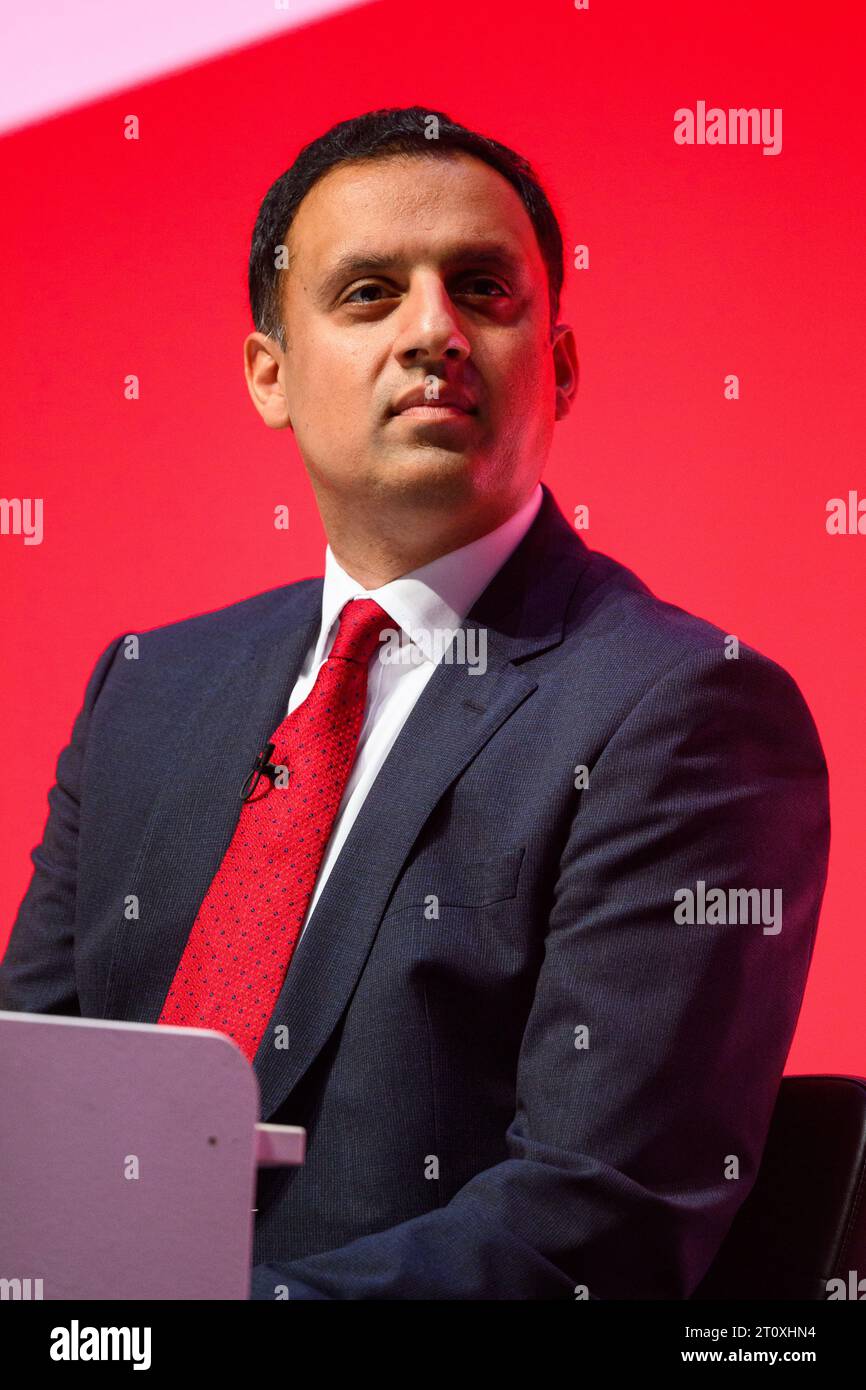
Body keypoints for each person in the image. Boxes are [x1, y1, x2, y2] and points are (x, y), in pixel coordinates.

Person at [0, 106, 830, 1300]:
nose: (433, 329)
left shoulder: (687, 710)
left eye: (484, 288)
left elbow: (594, 1226)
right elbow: (33, 1106)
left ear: (561, 363)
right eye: (370, 292)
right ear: (269, 375)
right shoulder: (146, 688)